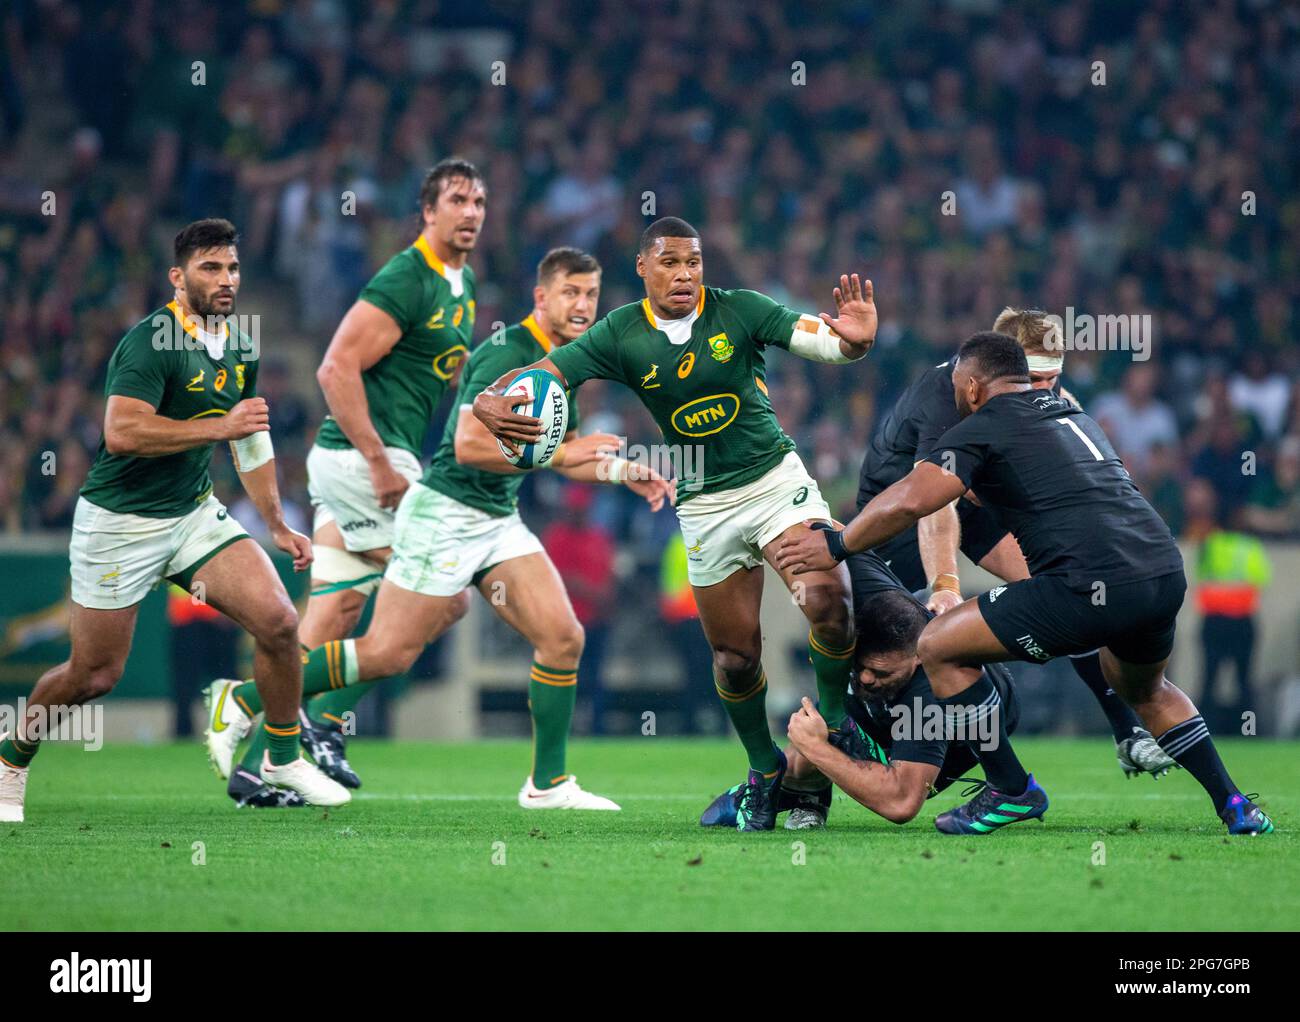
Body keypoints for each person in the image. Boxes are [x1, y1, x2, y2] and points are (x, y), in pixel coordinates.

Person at [216, 248, 673, 809]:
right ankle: (244, 698)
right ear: (541, 298)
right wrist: (556, 456)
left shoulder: (567, 362)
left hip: (499, 520)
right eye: (570, 293)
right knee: (387, 653)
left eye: (590, 294)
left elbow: (563, 451)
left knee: (563, 637)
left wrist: (625, 471)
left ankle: (547, 784)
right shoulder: (507, 352)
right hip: (447, 514)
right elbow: (469, 445)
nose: (582, 305)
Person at [777, 332, 1272, 837]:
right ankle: (1235, 804)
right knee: (1147, 689)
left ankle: (1012, 789)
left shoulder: (985, 424)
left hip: (1085, 583)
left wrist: (839, 546)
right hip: (1161, 572)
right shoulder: (1075, 418)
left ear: (971, 388)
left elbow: (915, 500)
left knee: (938, 644)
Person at [473, 217, 877, 830]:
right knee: (735, 658)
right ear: (643, 268)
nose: (684, 274)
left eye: (693, 262)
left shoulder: (740, 310)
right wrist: (489, 399)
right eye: (669, 263)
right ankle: (765, 774)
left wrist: (854, 342)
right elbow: (547, 374)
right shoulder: (620, 332)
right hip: (705, 503)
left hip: (774, 481)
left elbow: (821, 338)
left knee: (828, 598)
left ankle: (838, 725)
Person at [0, 219, 346, 823]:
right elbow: (122, 431)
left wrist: (275, 522)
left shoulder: (241, 343)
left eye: (232, 268)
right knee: (94, 674)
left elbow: (252, 442)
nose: (225, 280)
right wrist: (220, 427)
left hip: (192, 515)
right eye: (210, 268)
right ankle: (10, 758)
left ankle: (282, 758)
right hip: (119, 524)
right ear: (177, 277)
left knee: (279, 621)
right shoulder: (148, 341)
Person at [212, 159, 485, 798]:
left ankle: (260, 762)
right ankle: (300, 713)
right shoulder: (407, 276)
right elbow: (335, 369)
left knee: (335, 613)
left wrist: (490, 390)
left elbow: (441, 366)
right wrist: (380, 461)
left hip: (362, 462)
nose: (470, 211)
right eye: (457, 199)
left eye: (478, 201)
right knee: (449, 594)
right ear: (427, 210)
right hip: (366, 460)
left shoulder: (461, 284)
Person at [857, 306, 1172, 778]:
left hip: (981, 508)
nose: (1045, 390)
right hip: (900, 514)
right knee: (886, 644)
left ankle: (1125, 730)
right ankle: (833, 760)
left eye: (1054, 378)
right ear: (1002, 369)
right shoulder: (946, 398)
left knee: (1070, 587)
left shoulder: (1044, 392)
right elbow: (934, 502)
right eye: (1036, 377)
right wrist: (945, 582)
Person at [703, 551, 1021, 830]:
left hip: (955, 741)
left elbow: (901, 805)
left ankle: (800, 788)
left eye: (880, 672)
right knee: (799, 762)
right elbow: (819, 534)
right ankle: (806, 792)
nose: (866, 678)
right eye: (861, 667)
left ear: (916, 660)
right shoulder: (866, 586)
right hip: (883, 704)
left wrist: (818, 748)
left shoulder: (927, 694)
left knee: (822, 752)